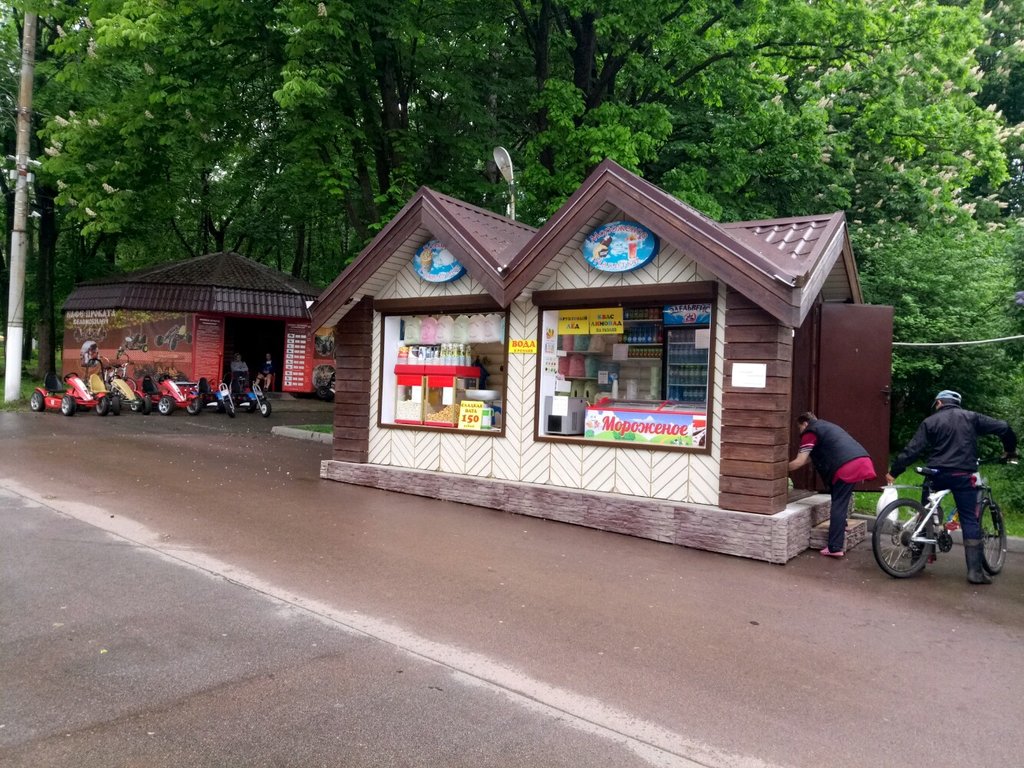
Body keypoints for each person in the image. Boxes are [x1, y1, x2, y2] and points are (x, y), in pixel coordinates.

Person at [885, 389, 1017, 585]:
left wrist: (894, 471)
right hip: (962, 476)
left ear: (939, 403)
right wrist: (1009, 450)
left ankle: (917, 560)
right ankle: (975, 572)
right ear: (957, 404)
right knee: (969, 519)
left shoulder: (930, 421)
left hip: (935, 474)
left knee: (925, 512)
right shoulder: (971, 418)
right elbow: (1004, 427)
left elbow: (913, 449)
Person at [788, 411, 877, 557]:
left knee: (838, 503)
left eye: (799, 428)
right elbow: (809, 458)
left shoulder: (810, 432)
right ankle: (841, 526)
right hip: (861, 460)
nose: (800, 432)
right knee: (841, 498)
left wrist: (780, 469)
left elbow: (800, 460)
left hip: (847, 465)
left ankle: (835, 547)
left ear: (805, 423)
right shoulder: (826, 427)